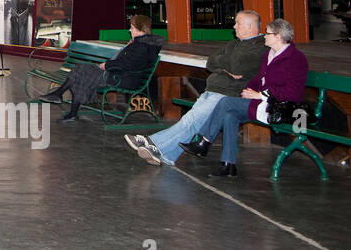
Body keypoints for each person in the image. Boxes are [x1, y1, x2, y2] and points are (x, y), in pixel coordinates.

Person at [125, 10, 266, 166]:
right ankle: (166, 156)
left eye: (238, 23)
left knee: (191, 122)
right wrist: (226, 66)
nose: (234, 26)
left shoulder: (260, 49)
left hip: (227, 94)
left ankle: (151, 142)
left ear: (250, 26)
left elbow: (237, 68)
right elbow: (211, 62)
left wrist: (225, 64)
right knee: (191, 122)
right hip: (212, 90)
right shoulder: (233, 44)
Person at [192, 18, 310, 178]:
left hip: (280, 107)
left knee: (226, 102)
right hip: (261, 103)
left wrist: (259, 95)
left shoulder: (296, 59)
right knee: (229, 115)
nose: (264, 37)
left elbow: (293, 92)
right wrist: (247, 90)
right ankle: (228, 165)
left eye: (267, 33)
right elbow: (258, 79)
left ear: (278, 36)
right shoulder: (268, 55)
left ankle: (204, 141)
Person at [40, 14, 163, 122]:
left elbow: (127, 65)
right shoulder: (142, 44)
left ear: (140, 29)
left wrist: (107, 65)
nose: (130, 30)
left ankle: (62, 98)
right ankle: (63, 100)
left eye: (132, 28)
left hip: (122, 79)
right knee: (80, 70)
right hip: (120, 75)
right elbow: (127, 62)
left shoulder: (141, 46)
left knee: (81, 72)